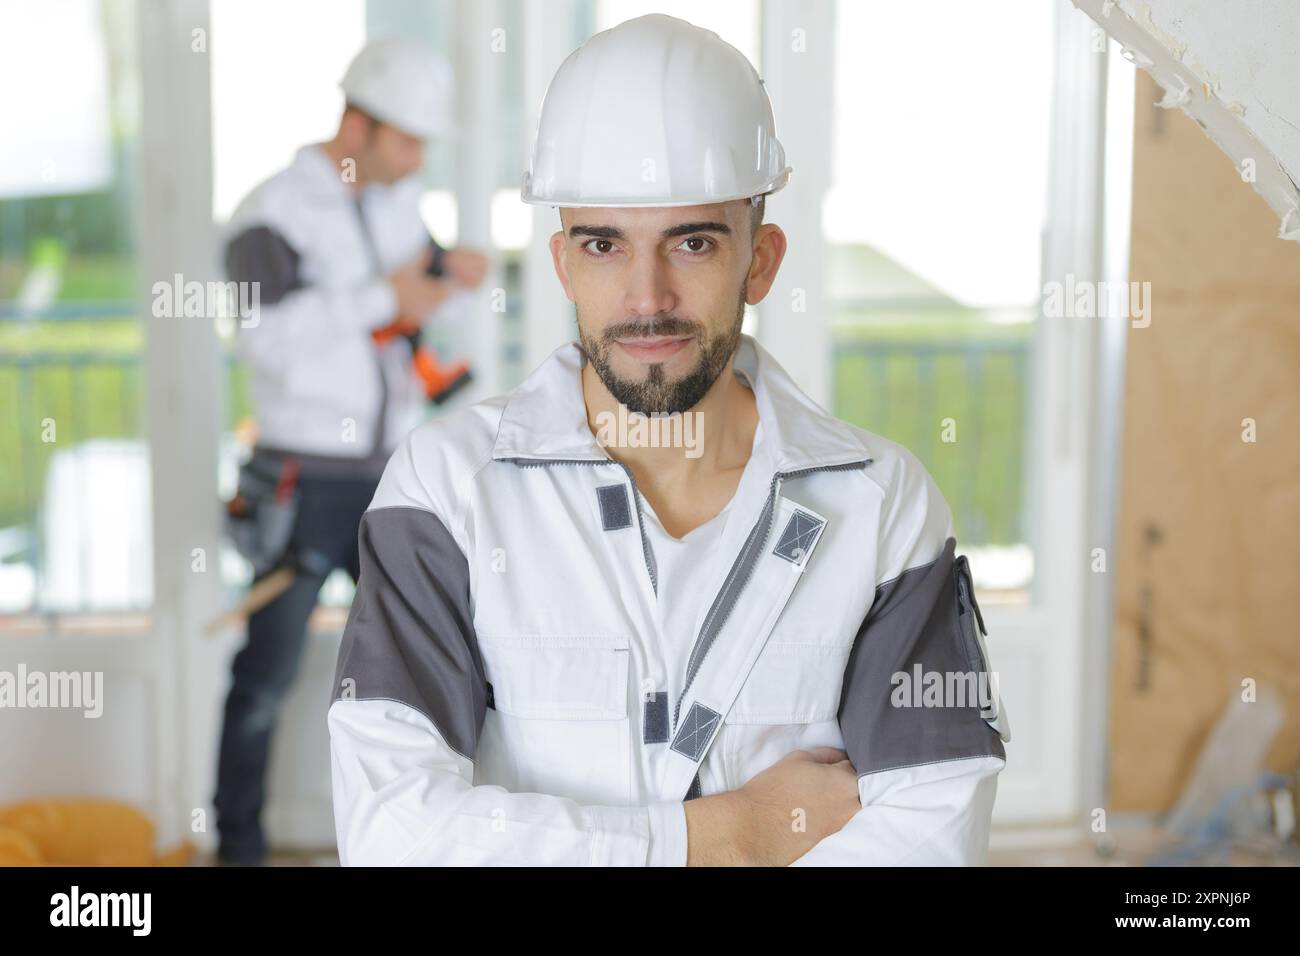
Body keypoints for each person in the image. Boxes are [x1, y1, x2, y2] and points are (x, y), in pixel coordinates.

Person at [327, 14, 1009, 866]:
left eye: (692, 242)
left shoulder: (883, 508)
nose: (646, 298)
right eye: (605, 244)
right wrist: (728, 837)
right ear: (564, 263)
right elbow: (394, 837)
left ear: (760, 262)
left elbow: (930, 838)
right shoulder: (447, 492)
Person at [212, 37, 487, 866]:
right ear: (356, 124)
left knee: (428, 670)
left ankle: (427, 845)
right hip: (299, 483)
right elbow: (264, 340)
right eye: (406, 140)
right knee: (264, 681)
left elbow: (407, 318)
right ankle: (237, 850)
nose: (417, 160)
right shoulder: (272, 212)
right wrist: (386, 296)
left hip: (389, 480)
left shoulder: (396, 204)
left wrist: (443, 280)